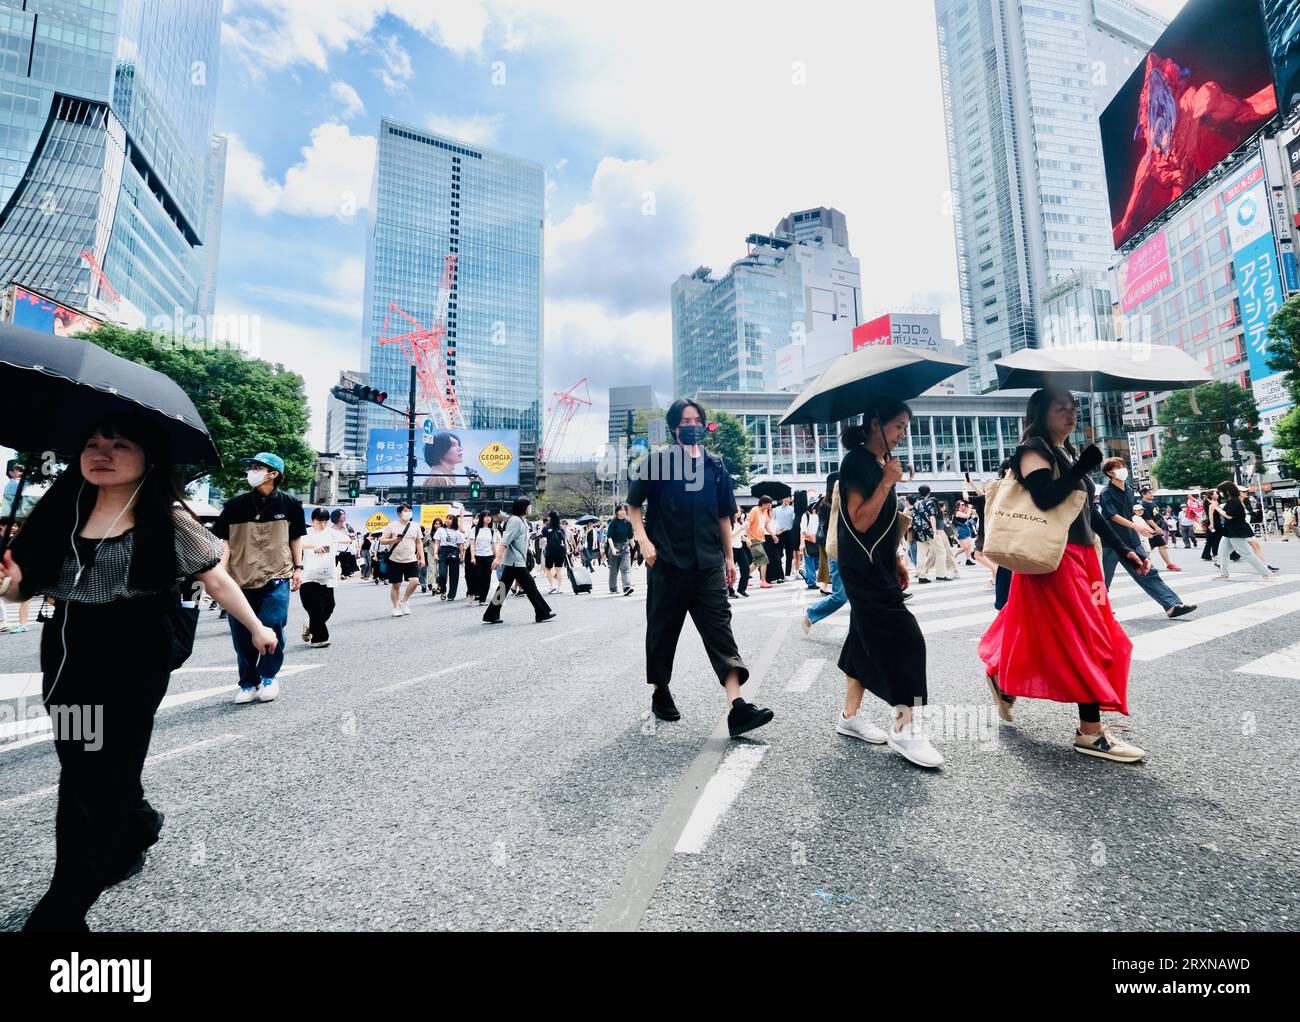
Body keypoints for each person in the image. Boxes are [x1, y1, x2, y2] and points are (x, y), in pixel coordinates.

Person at [1, 416, 276, 931]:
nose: (101, 452)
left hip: (136, 649)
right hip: (68, 646)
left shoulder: (167, 518)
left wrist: (257, 627)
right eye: (91, 443)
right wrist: (11, 584)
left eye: (119, 444)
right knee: (82, 766)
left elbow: (215, 579)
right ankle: (136, 824)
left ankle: (64, 907)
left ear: (148, 458)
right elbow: (25, 591)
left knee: (99, 777)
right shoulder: (60, 510)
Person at [979, 388, 1150, 763]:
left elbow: (1089, 513)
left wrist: (1126, 549)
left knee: (1045, 627)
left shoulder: (1066, 452)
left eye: (1074, 409)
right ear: (1042, 413)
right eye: (1062, 409)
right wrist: (1080, 469)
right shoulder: (1032, 450)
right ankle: (1090, 732)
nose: (1071, 415)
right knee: (1087, 638)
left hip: (1082, 555)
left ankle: (1001, 675)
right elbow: (1043, 497)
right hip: (1055, 559)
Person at [628, 398, 772, 738]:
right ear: (675, 427)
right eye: (685, 420)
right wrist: (645, 542)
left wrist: (728, 557)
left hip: (707, 563)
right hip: (667, 563)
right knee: (663, 630)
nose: (691, 425)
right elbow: (633, 505)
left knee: (720, 631)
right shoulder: (658, 462)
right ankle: (660, 690)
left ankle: (737, 707)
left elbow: (724, 516)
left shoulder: (716, 466)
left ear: (704, 424)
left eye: (697, 419)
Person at [830, 405, 942, 767]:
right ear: (875, 424)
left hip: (877, 565)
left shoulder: (878, 465)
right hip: (861, 569)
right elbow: (860, 521)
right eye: (898, 426)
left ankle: (849, 718)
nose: (903, 434)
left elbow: (881, 524)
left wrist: (894, 558)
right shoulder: (857, 463)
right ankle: (905, 728)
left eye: (906, 426)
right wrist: (888, 482)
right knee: (908, 638)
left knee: (861, 640)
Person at [212, 451, 305, 704]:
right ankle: (247, 682)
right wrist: (221, 571)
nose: (251, 471)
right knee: (242, 634)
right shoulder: (234, 506)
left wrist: (298, 568)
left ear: (273, 474)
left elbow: (295, 538)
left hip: (277, 574)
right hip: (239, 578)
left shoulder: (290, 505)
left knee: (272, 623)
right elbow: (225, 542)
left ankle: (268, 676)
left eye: (257, 467)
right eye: (252, 467)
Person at [1098, 459, 1196, 620]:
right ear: (1109, 472)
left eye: (1123, 466)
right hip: (1111, 541)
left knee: (1148, 572)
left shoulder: (1129, 490)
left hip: (1131, 540)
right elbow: (1111, 515)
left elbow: (1130, 514)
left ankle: (1172, 605)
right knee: (1102, 578)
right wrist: (1136, 527)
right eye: (1118, 467)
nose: (1123, 469)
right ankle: (1096, 609)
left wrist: (1144, 528)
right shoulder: (1106, 492)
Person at [483, 497, 555, 624]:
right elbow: (505, 541)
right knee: (530, 586)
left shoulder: (522, 521)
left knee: (503, 588)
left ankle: (491, 614)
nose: (530, 508)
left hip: (515, 561)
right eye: (529, 506)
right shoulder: (515, 521)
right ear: (523, 507)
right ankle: (542, 612)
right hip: (515, 561)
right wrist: (498, 558)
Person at [803, 471, 848, 634]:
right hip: (836, 550)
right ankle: (811, 612)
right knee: (840, 596)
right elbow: (831, 528)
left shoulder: (838, 501)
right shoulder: (827, 504)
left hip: (848, 551)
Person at [300, 507, 350, 647]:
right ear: (312, 520)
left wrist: (333, 542)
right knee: (316, 607)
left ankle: (310, 624)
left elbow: (347, 540)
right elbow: (298, 543)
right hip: (310, 576)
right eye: (318, 521)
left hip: (327, 575)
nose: (321, 524)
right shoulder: (307, 532)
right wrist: (313, 546)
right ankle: (318, 638)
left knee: (329, 606)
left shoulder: (331, 532)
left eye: (324, 522)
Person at [1213, 481, 1273, 583]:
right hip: (1229, 530)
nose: (1220, 494)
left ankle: (1266, 573)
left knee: (1246, 553)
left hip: (1236, 530)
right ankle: (1224, 574)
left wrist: (1216, 508)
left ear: (1227, 491)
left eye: (1221, 491)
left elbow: (1229, 516)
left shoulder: (1234, 501)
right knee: (1223, 553)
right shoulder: (1231, 500)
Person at [381, 503, 424, 616]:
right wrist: (393, 540)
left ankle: (403, 602)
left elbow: (419, 542)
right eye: (406, 510)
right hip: (395, 559)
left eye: (410, 510)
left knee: (415, 582)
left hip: (411, 559)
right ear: (400, 513)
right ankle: (395, 607)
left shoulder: (415, 526)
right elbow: (382, 540)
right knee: (396, 585)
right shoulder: (392, 525)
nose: (408, 512)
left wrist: (422, 557)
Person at [913, 485, 955, 583]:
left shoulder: (916, 503)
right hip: (930, 531)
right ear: (929, 492)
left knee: (921, 554)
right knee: (941, 551)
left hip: (919, 532)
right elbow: (932, 517)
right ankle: (940, 575)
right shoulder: (930, 502)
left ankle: (922, 576)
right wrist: (935, 531)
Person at [1137, 487, 1179, 571]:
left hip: (1157, 529)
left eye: (1151, 493)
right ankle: (1141, 564)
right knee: (1155, 546)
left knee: (1152, 547)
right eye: (1149, 493)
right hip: (1151, 530)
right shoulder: (1144, 505)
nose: (1152, 494)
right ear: (1143, 494)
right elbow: (1148, 518)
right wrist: (1156, 528)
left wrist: (1166, 522)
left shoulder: (1152, 502)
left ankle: (1141, 563)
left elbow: (1158, 514)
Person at [466, 511, 496, 605]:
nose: (488, 518)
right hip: (477, 557)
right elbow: (472, 544)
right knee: (476, 577)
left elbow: (494, 545)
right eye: (486, 516)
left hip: (488, 557)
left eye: (489, 516)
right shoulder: (475, 529)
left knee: (487, 579)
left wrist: (496, 558)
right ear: (482, 518)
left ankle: (482, 600)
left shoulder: (492, 531)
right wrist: (472, 557)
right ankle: (471, 592)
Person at [434, 517, 466, 601]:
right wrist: (435, 553)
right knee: (442, 574)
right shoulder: (440, 530)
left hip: (454, 552)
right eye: (447, 518)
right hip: (443, 552)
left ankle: (451, 595)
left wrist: (462, 556)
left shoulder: (457, 532)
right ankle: (443, 590)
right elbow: (437, 543)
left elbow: (460, 545)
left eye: (450, 519)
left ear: (454, 521)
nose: (447, 520)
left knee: (454, 575)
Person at [607, 503, 634, 595]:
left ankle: (626, 587)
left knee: (626, 568)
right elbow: (609, 537)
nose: (623, 512)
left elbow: (630, 537)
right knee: (614, 569)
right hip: (615, 546)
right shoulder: (613, 523)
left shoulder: (628, 524)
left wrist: (635, 549)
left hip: (625, 547)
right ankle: (613, 588)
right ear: (617, 511)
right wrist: (613, 548)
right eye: (621, 510)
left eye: (624, 510)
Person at [746, 496, 773, 588]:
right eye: (769, 503)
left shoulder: (765, 511)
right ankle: (763, 581)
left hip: (761, 538)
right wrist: (748, 538)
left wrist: (773, 535)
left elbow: (766, 525)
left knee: (757, 562)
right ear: (764, 503)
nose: (770, 505)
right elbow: (748, 524)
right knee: (764, 559)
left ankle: (744, 578)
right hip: (753, 538)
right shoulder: (754, 510)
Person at [541, 512, 567, 594]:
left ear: (549, 518)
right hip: (560, 550)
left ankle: (552, 585)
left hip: (550, 550)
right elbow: (564, 539)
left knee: (548, 568)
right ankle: (560, 587)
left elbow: (543, 540)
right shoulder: (561, 528)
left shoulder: (545, 528)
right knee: (558, 570)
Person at [730, 508, 751, 598]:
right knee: (730, 572)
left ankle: (742, 589)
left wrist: (746, 539)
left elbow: (741, 536)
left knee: (746, 569)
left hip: (739, 547)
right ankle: (730, 590)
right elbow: (730, 536)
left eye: (740, 511)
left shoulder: (739, 523)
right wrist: (741, 529)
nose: (739, 512)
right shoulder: (729, 523)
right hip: (731, 548)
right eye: (737, 511)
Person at [800, 497, 820, 590]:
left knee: (817, 562)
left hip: (818, 541)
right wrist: (802, 543)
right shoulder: (806, 515)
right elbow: (803, 530)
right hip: (808, 542)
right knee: (810, 562)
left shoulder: (819, 515)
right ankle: (811, 583)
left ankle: (805, 573)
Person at [1200, 490, 1222, 565]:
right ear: (1211, 495)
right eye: (1216, 494)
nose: (1218, 495)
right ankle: (1233, 554)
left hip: (1215, 523)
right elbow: (1211, 515)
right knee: (1218, 538)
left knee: (1212, 539)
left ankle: (1208, 554)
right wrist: (1212, 525)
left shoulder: (1212, 502)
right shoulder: (1211, 503)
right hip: (1214, 523)